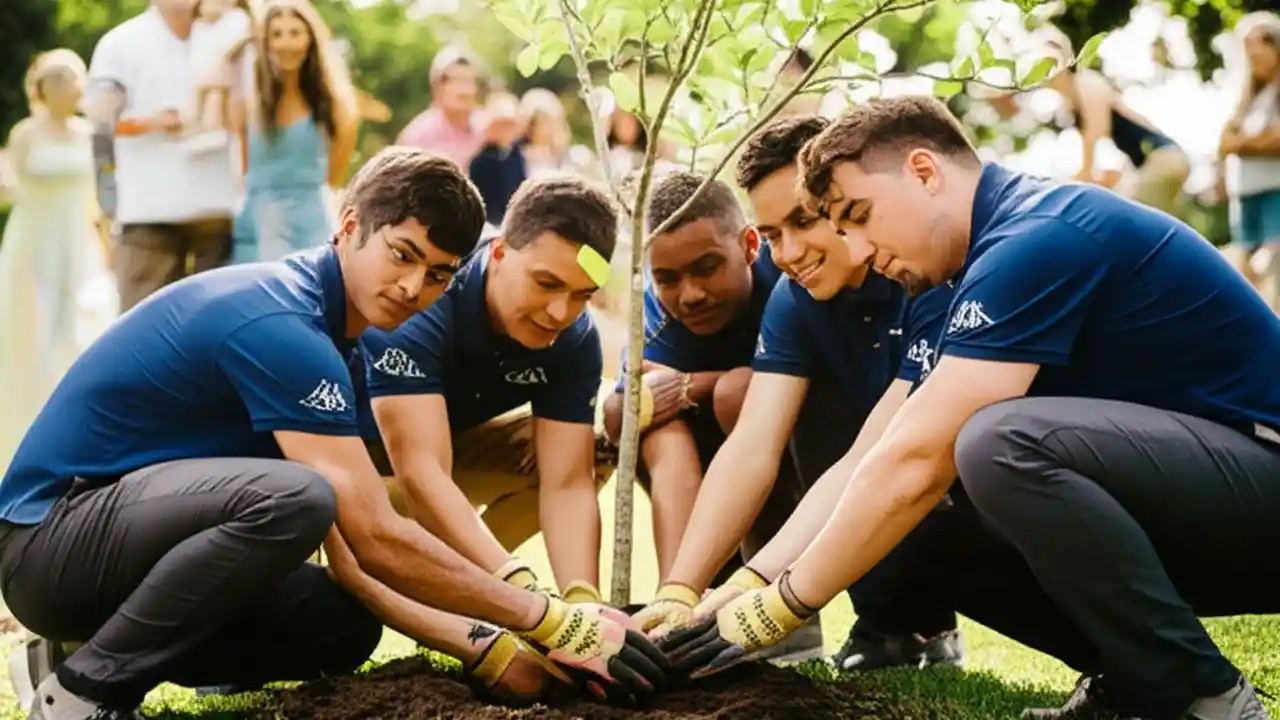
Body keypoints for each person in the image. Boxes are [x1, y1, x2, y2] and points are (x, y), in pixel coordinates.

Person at [663, 95, 1279, 720]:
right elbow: (880, 452)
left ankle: (1200, 695)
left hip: (1260, 488)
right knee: (920, 508)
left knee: (995, 444)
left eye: (860, 216)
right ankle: (1128, 677)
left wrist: (780, 608)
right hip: (1198, 501)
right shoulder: (970, 261)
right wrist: (744, 585)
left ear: (925, 172)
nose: (863, 247)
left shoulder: (1035, 236)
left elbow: (918, 457)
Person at [0, 147, 666, 720]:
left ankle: (90, 645)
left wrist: (483, 643)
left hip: (129, 545)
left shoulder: (343, 338)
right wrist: (547, 619)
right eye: (402, 255)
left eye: (437, 274)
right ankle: (82, 693)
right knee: (293, 497)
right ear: (349, 227)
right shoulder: (282, 323)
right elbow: (375, 531)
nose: (413, 287)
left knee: (339, 625)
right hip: (51, 540)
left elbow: (350, 553)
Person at [633, 117, 961, 672]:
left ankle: (918, 621)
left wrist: (767, 593)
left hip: (957, 489)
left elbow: (879, 456)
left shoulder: (922, 272)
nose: (785, 254)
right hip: (874, 484)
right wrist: (681, 589)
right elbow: (752, 447)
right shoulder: (795, 297)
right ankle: (887, 624)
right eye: (773, 234)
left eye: (804, 220)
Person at [358, 175, 620, 604]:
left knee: (590, 455)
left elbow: (567, 483)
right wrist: (521, 592)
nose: (560, 312)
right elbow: (423, 475)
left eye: (582, 295)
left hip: (438, 456)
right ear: (498, 252)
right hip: (343, 466)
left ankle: (455, 591)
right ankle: (468, 587)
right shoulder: (427, 293)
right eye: (547, 283)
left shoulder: (574, 337)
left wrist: (582, 604)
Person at [0, 49, 118, 484]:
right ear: (41, 87)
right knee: (32, 335)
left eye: (72, 76)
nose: (67, 84)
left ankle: (73, 439)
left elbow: (106, 196)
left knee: (81, 332)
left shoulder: (93, 134)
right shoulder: (25, 134)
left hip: (78, 244)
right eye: (56, 77)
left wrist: (108, 243)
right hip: (32, 244)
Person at [85, 0, 241, 311]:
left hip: (216, 212)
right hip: (147, 215)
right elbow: (100, 124)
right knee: (142, 329)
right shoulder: (120, 43)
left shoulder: (229, 35)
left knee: (213, 328)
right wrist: (150, 123)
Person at [232, 0, 359, 263]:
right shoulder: (247, 101)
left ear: (310, 40)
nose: (285, 44)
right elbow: (241, 167)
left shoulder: (334, 104)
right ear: (264, 41)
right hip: (258, 223)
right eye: (276, 34)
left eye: (295, 33)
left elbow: (335, 172)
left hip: (312, 221)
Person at [1039, 27, 1190, 215]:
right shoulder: (1070, 104)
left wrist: (1081, 180)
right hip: (1149, 164)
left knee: (1129, 219)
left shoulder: (1086, 82)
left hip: (1162, 159)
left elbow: (1096, 134)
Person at [1221, 12, 1280, 312]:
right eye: (1248, 45)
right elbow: (1225, 142)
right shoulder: (1246, 99)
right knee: (1244, 271)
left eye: (1262, 42)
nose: (1254, 51)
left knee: (1273, 266)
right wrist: (1253, 142)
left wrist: (1243, 143)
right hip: (1244, 191)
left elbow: (1276, 140)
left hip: (1275, 188)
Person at [396, 45, 483, 170]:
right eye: (454, 81)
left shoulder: (487, 127)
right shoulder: (416, 136)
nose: (463, 90)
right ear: (437, 87)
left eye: (468, 80)